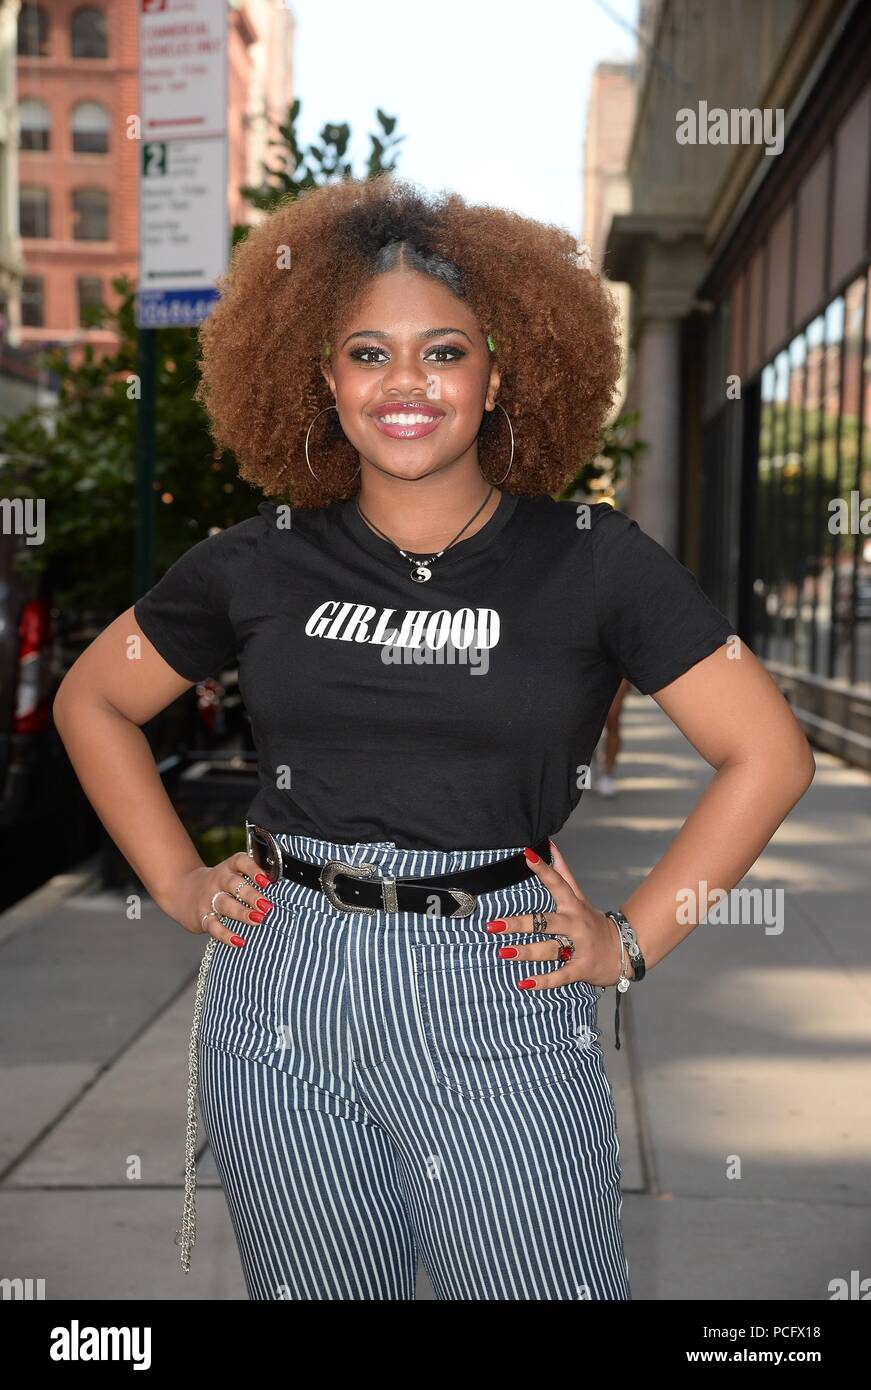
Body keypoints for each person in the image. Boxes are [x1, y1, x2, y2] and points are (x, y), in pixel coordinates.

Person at [52, 175, 815, 1302]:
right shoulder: (260, 558)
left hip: (497, 983)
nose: (404, 382)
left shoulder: (591, 555)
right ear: (322, 378)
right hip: (284, 988)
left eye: (443, 352)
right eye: (367, 353)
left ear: (499, 374)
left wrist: (632, 940)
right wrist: (172, 879)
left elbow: (770, 753)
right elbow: (92, 701)